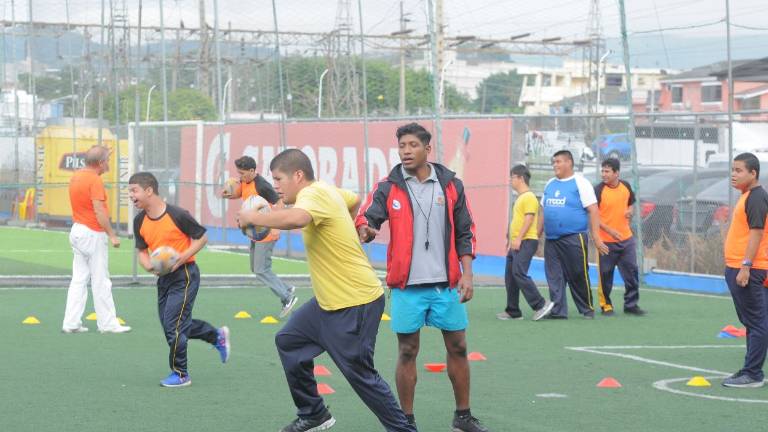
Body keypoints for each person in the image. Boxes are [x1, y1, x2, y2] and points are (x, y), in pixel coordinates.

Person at [238, 149, 415, 432]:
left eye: (279, 179)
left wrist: (254, 217)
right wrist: (351, 226)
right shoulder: (326, 190)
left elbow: (297, 219)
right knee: (289, 341)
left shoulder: (312, 195)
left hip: (355, 301)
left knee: (360, 375)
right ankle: (314, 414)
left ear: (298, 175)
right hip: (329, 302)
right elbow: (353, 199)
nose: (276, 186)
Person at [356, 123, 489, 432]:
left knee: (458, 347)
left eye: (412, 145)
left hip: (447, 285)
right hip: (407, 287)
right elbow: (367, 216)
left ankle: (463, 417)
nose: (405, 151)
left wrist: (467, 274)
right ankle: (406, 421)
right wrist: (366, 229)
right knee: (407, 351)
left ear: (427, 149)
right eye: (402, 145)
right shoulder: (388, 186)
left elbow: (466, 232)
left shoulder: (451, 185)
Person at [129, 172, 230, 388]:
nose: (131, 195)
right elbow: (142, 251)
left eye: (134, 190)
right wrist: (149, 266)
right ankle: (216, 336)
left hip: (184, 274)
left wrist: (180, 258)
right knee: (173, 326)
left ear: (149, 190)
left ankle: (181, 373)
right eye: (129, 191)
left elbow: (202, 238)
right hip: (164, 278)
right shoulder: (139, 221)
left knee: (174, 325)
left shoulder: (177, 214)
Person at [62, 145, 131, 334]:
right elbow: (99, 210)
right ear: (100, 163)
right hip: (92, 233)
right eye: (107, 160)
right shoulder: (95, 180)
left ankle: (71, 323)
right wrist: (112, 235)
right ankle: (108, 324)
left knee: (79, 279)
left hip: (77, 231)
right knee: (101, 280)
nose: (108, 163)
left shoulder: (76, 176)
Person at [222, 155, 297, 317]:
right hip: (255, 231)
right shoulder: (244, 182)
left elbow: (280, 203)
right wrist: (228, 194)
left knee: (261, 270)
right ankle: (286, 288)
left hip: (267, 231)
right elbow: (240, 194)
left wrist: (276, 226)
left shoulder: (262, 185)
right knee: (256, 269)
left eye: (242, 173)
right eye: (238, 173)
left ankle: (287, 297)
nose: (240, 176)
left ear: (252, 171)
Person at [540, 150, 608, 319]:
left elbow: (593, 210)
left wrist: (596, 237)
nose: (555, 165)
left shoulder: (581, 183)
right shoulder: (550, 184)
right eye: (554, 162)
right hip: (551, 239)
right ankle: (558, 310)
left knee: (578, 274)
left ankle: (587, 309)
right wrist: (536, 234)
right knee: (554, 276)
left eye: (558, 161)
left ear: (569, 163)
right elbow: (543, 210)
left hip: (574, 237)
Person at [722, 152, 768, 388]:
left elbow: (757, 233)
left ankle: (752, 374)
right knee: (754, 321)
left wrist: (746, 266)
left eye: (739, 170)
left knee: (757, 322)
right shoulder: (748, 195)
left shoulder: (756, 197)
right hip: (741, 267)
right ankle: (751, 370)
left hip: (750, 269)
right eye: (733, 170)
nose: (733, 174)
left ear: (753, 173)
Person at [497, 164, 554, 321]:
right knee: (510, 276)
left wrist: (518, 238)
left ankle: (541, 304)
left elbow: (529, 219)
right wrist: (511, 240)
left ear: (521, 178)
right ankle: (513, 311)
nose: (510, 181)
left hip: (526, 241)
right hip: (517, 243)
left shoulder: (528, 197)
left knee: (518, 272)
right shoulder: (521, 198)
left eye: (512, 177)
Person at [594, 158, 645, 316]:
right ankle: (606, 305)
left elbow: (631, 203)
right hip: (605, 242)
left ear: (617, 173)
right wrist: (609, 231)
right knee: (605, 275)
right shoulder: (598, 190)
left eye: (607, 171)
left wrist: (630, 211)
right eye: (602, 171)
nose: (603, 174)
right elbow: (593, 217)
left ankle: (631, 304)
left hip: (626, 240)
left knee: (632, 272)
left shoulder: (626, 186)